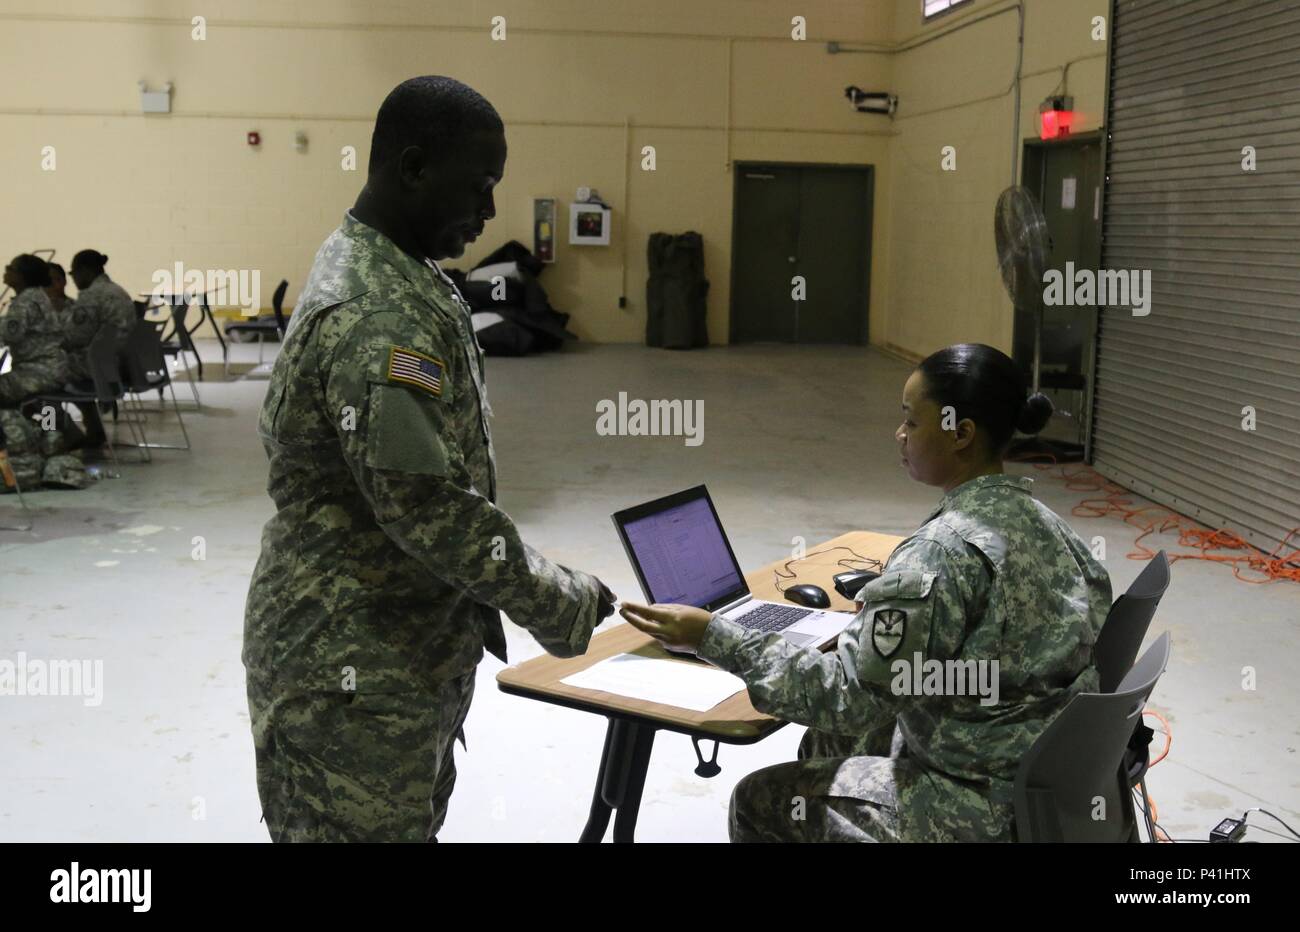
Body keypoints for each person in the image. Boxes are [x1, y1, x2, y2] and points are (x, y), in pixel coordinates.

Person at [243, 75, 617, 843]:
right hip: (347, 669)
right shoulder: (378, 313)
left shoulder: (401, 273)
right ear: (413, 168)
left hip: (400, 655)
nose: (487, 211)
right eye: (479, 187)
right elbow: (425, 507)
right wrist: (558, 599)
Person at [621, 343, 1112, 842]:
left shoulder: (939, 552)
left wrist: (714, 637)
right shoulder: (1053, 528)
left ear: (960, 434)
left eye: (912, 422)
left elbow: (848, 698)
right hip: (1040, 771)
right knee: (829, 742)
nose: (899, 435)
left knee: (760, 799)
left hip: (983, 802)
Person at [60, 250, 137, 449]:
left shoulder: (92, 296)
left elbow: (74, 337)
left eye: (73, 274)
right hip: (122, 364)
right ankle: (93, 429)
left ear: (84, 271)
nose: (73, 279)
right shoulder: (118, 291)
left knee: (40, 385)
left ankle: (54, 433)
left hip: (100, 366)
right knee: (60, 379)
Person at [0, 254, 70, 408]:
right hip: (53, 369)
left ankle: (17, 431)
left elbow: (10, 335)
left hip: (37, 372)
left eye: (10, 268)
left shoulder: (24, 302)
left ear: (22, 276)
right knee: (46, 408)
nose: (6, 271)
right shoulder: (38, 296)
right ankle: (52, 429)